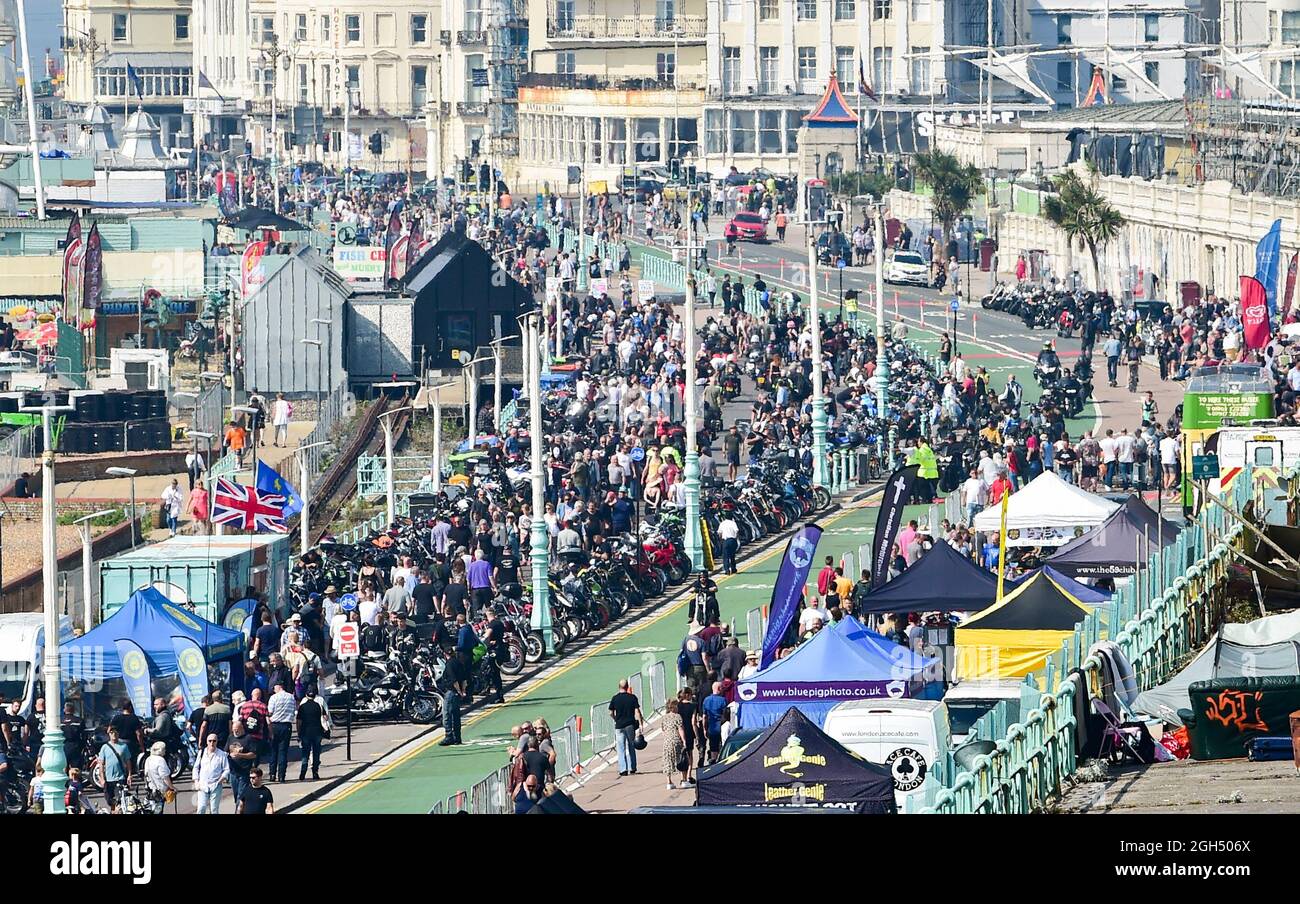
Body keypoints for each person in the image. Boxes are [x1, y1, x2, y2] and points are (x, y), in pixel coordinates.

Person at [608, 678, 644, 777]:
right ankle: (632, 767)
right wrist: (641, 724)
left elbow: (610, 712)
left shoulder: (615, 698)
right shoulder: (632, 698)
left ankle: (623, 769)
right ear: (627, 687)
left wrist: (616, 719)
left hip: (619, 725)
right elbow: (637, 712)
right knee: (631, 745)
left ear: (619, 687)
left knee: (621, 748)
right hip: (630, 725)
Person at [96, 725, 133, 813]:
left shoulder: (123, 746)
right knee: (110, 801)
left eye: (115, 732)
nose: (114, 734)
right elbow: (101, 764)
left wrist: (129, 775)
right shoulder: (105, 747)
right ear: (109, 734)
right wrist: (102, 778)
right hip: (108, 779)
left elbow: (128, 762)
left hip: (120, 779)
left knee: (119, 802)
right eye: (111, 733)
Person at [192, 732, 229, 814]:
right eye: (210, 741)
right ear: (207, 742)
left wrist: (220, 781)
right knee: (201, 808)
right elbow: (196, 768)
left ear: (217, 742)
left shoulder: (222, 754)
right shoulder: (201, 753)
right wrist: (196, 782)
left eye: (214, 741)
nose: (212, 743)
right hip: (203, 785)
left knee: (214, 810)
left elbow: (226, 770)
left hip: (215, 785)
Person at [296, 688, 327, 781]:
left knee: (305, 753)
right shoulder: (318, 705)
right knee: (316, 753)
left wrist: (298, 732)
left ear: (306, 695)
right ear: (314, 696)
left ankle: (303, 773)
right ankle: (315, 772)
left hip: (305, 732)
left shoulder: (302, 707)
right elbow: (325, 717)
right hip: (317, 732)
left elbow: (298, 721)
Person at [267, 682, 295, 782]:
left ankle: (272, 775)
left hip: (275, 726)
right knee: (283, 751)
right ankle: (282, 776)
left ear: (278, 687)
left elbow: (269, 712)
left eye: (274, 687)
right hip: (286, 726)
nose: (273, 689)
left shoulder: (273, 698)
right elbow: (293, 710)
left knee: (273, 751)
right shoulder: (291, 697)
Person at [661, 699, 690, 790]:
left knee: (667, 760)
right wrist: (684, 741)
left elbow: (663, 730)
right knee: (681, 759)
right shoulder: (677, 717)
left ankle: (669, 782)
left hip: (667, 741)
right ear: (674, 707)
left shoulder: (664, 717)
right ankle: (683, 780)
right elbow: (680, 729)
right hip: (676, 740)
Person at [701, 681, 729, 765]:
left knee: (713, 748)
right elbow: (726, 715)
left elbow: (704, 717)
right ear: (719, 689)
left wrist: (705, 729)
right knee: (723, 747)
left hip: (712, 728)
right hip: (722, 727)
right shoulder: (723, 700)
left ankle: (714, 763)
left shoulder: (706, 700)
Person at [143, 741, 174, 814]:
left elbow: (146, 774)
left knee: (150, 810)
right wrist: (172, 787)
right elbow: (165, 777)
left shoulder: (148, 759)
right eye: (164, 749)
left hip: (150, 790)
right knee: (158, 810)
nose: (165, 751)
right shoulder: (160, 760)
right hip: (160, 791)